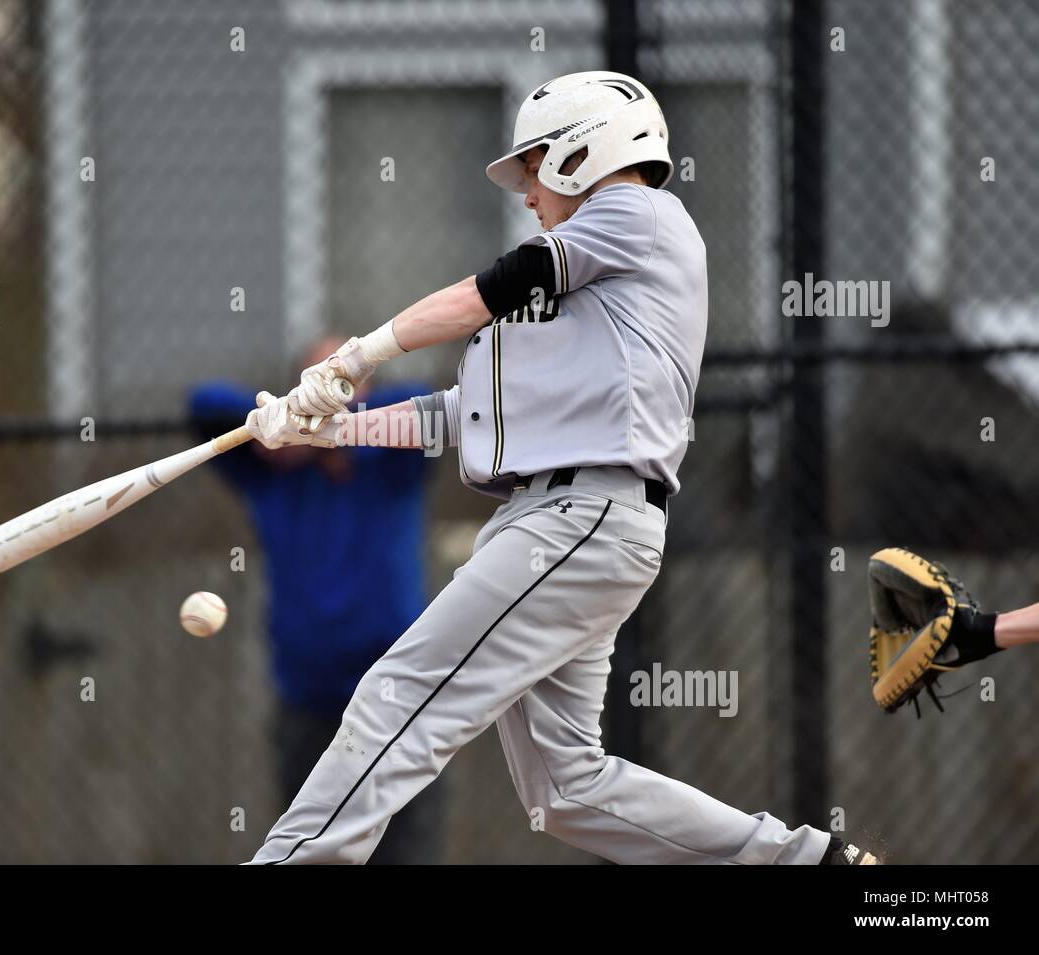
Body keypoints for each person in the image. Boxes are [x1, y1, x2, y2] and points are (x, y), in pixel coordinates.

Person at [242, 71, 874, 865]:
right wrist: (333, 426)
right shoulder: (594, 300)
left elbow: (487, 290)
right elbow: (459, 413)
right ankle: (803, 862)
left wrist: (357, 355)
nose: (528, 191)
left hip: (580, 520)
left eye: (535, 166)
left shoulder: (638, 216)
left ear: (587, 150)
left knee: (398, 695)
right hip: (572, 525)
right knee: (567, 788)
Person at [189, 339, 445, 864]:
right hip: (307, 698)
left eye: (350, 384)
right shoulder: (274, 475)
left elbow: (429, 402)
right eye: (324, 384)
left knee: (407, 852)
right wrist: (281, 428)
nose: (337, 398)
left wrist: (337, 431)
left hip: (398, 700)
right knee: (308, 851)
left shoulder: (391, 466)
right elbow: (202, 405)